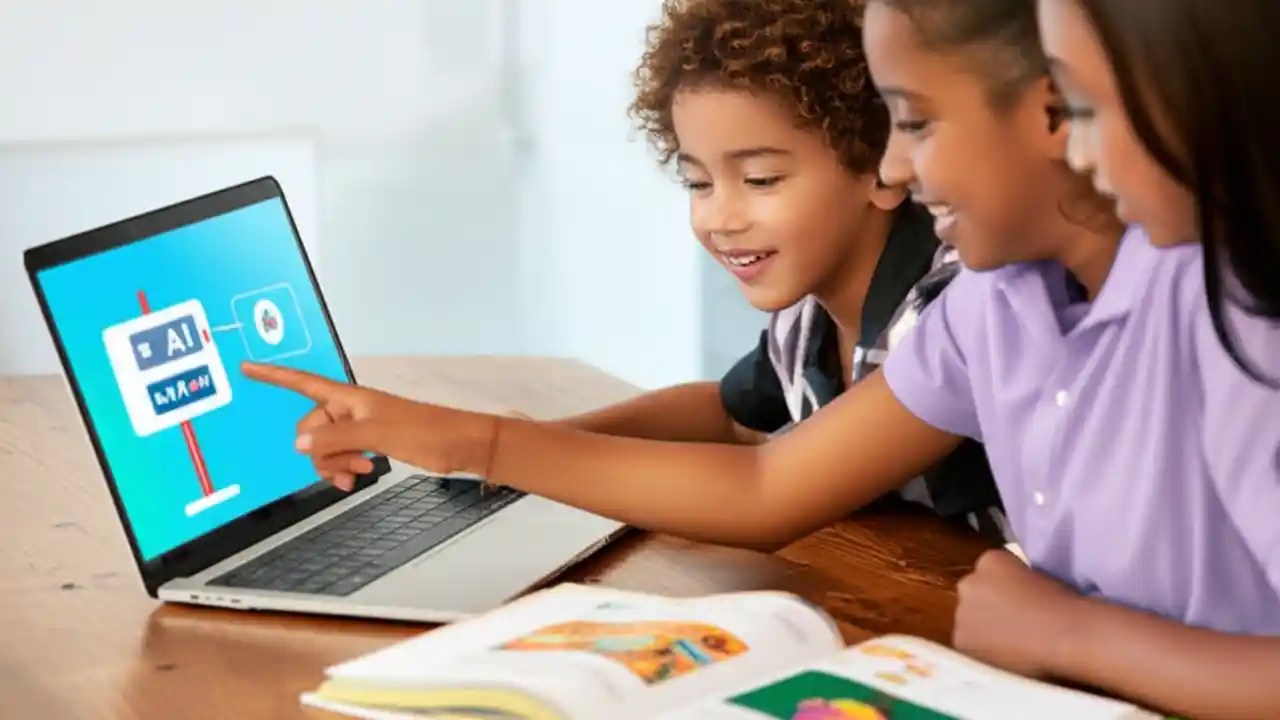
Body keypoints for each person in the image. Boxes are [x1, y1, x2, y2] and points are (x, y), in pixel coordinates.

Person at [245, 2, 1279, 714]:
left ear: (1053, 113)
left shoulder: (1231, 313)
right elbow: (764, 472)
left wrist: (1068, 635)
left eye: (911, 122)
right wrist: (474, 443)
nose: (894, 163)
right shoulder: (993, 306)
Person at [990, 1, 1280, 717]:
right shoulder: (1235, 284)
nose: (1078, 157)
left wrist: (1064, 632)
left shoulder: (1240, 309)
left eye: (1085, 106)